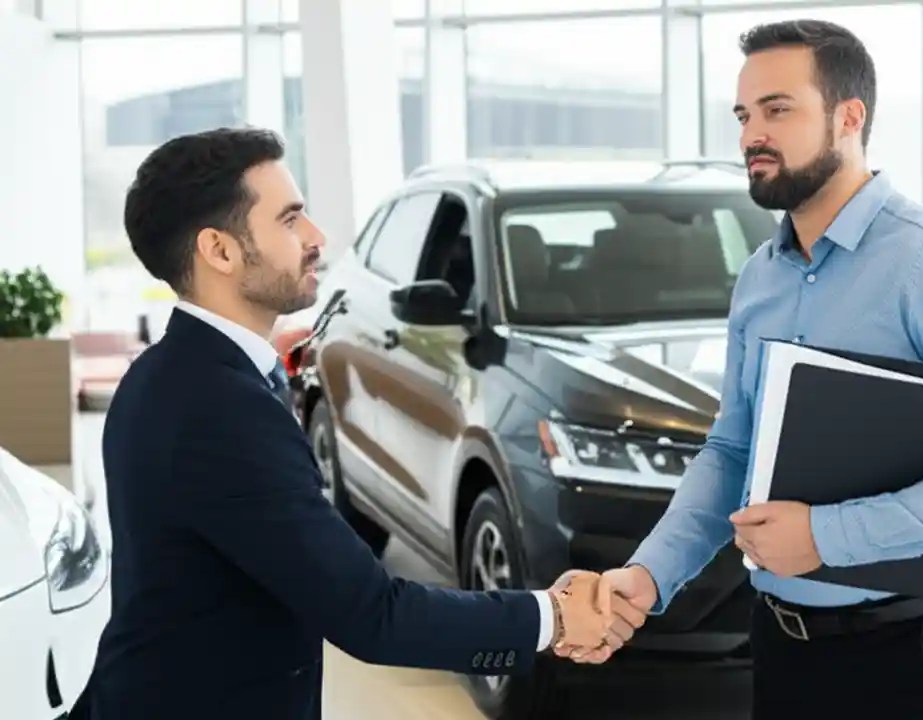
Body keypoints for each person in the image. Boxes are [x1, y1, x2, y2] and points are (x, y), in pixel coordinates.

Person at [558, 19, 923, 719]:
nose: (750, 135)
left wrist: (827, 536)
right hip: (783, 649)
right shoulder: (761, 276)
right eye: (743, 114)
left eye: (777, 109)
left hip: (917, 661)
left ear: (849, 117)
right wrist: (649, 574)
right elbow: (734, 450)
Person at [72, 128, 630, 720]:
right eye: (290, 220)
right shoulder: (216, 405)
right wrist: (553, 615)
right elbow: (372, 615)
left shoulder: (171, 373)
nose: (317, 237)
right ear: (221, 250)